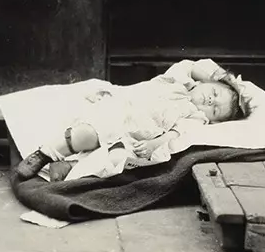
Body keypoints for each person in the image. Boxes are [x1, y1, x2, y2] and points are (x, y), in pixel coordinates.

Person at [14, 59, 251, 182]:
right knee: (87, 132)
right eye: (215, 93)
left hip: (134, 135)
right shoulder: (177, 80)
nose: (210, 101)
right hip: (119, 108)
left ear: (213, 121)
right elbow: (190, 66)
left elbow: (175, 135)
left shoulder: (196, 118)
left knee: (117, 161)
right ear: (206, 82)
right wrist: (224, 77)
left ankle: (72, 168)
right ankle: (46, 153)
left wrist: (153, 145)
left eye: (216, 110)